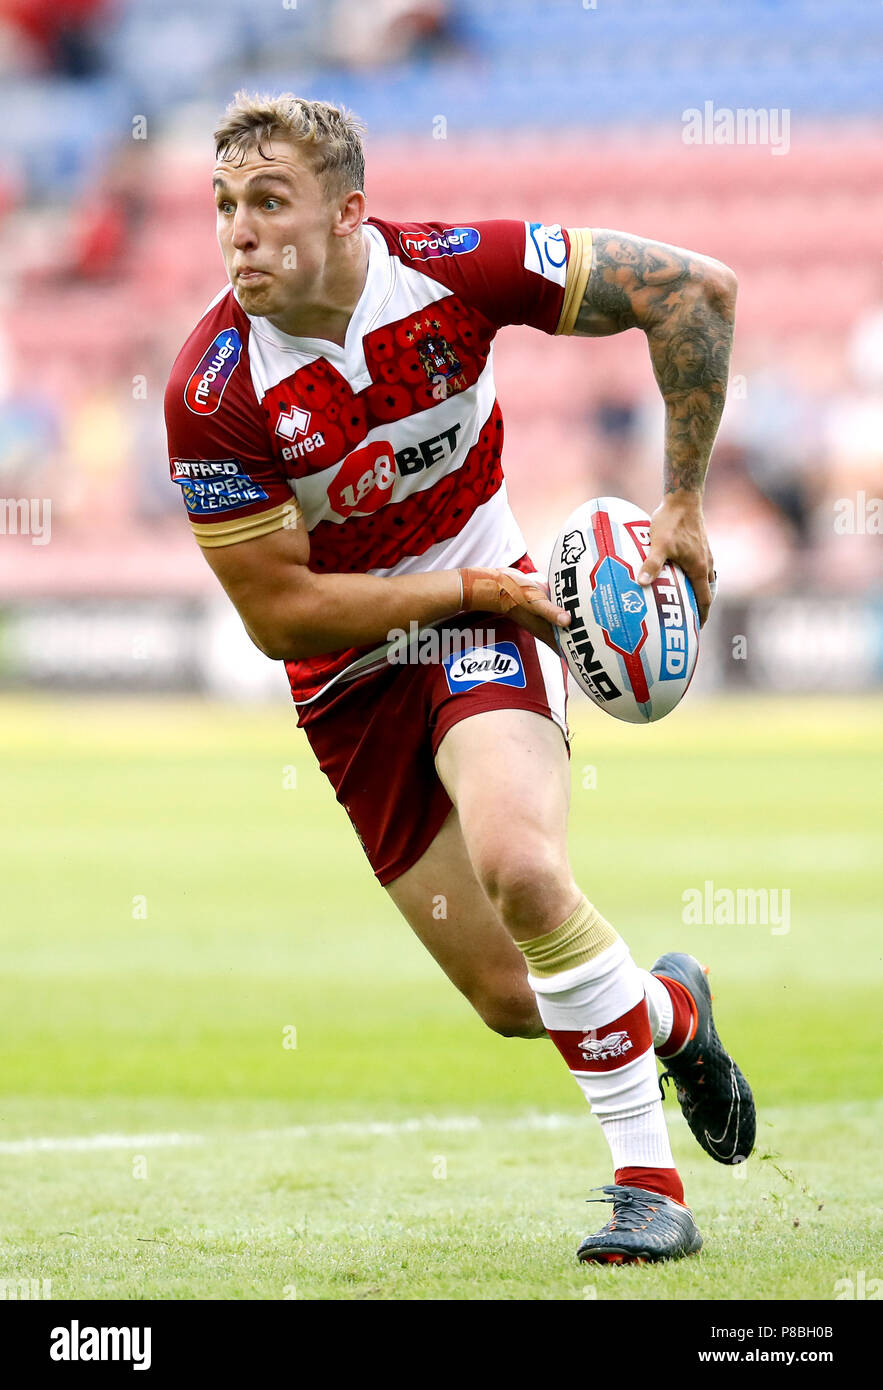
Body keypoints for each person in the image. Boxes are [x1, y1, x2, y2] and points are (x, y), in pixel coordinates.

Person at [164, 91, 755, 1264]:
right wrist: (472, 592)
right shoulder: (212, 395)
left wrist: (681, 495)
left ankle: (650, 1188)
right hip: (352, 677)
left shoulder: (452, 274)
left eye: (269, 203)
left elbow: (696, 290)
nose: (239, 232)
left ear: (348, 214)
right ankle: (673, 1011)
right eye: (224, 206)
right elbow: (283, 616)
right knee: (505, 997)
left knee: (525, 871)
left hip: (491, 612)